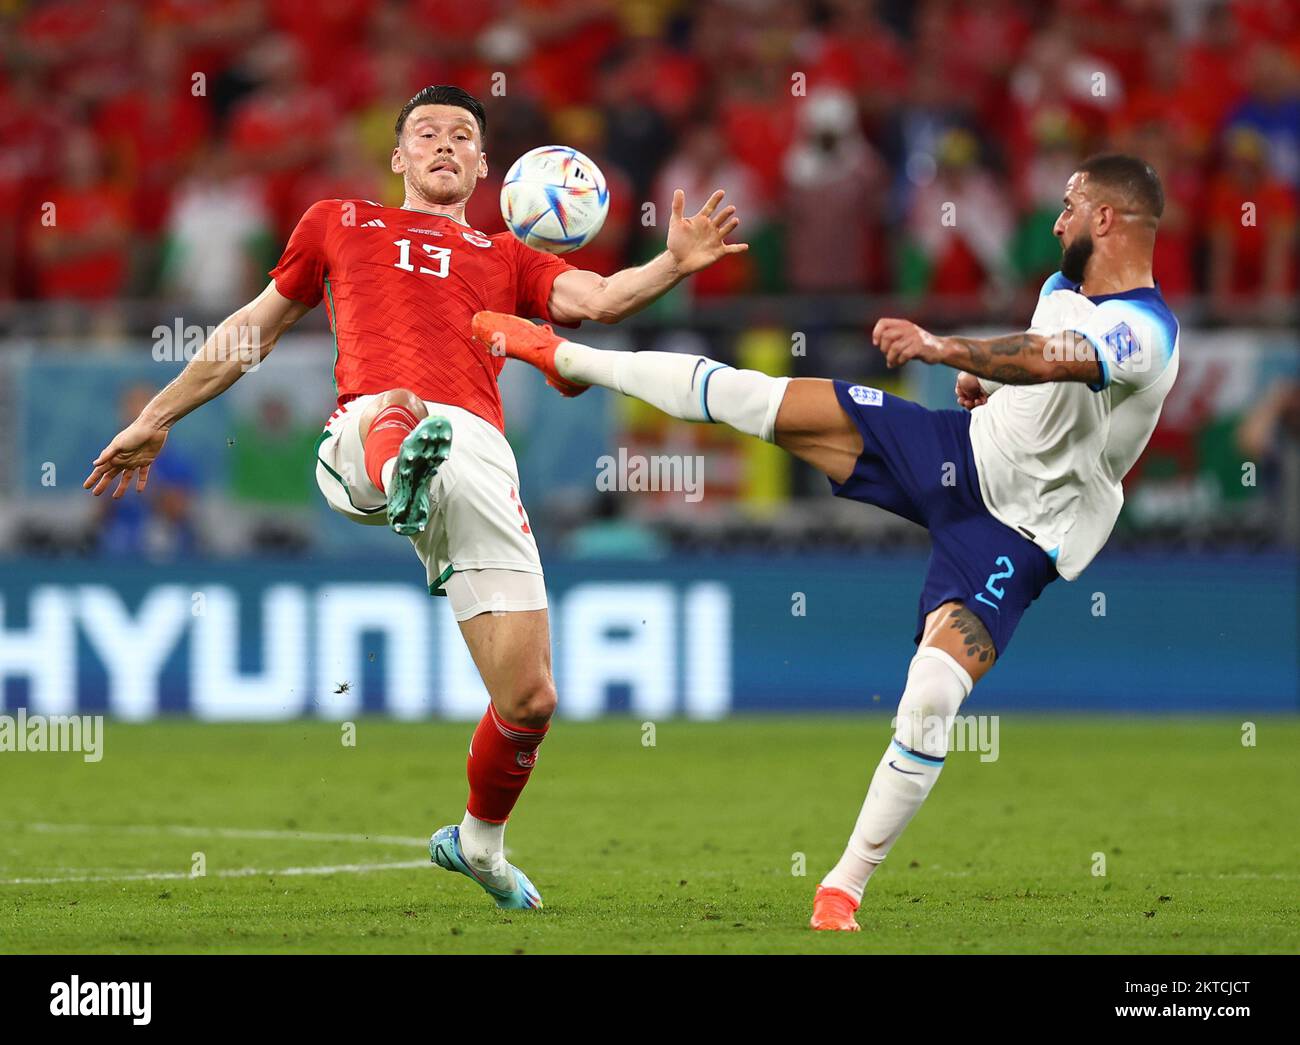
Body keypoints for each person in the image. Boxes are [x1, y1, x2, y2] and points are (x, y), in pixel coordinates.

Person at [83, 84, 747, 911]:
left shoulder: (507, 256)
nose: (443, 144)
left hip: (476, 455)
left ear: (483, 166)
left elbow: (601, 300)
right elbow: (250, 329)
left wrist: (674, 264)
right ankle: (402, 474)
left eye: (461, 135)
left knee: (530, 697)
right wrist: (156, 417)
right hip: (364, 430)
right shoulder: (337, 221)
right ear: (397, 156)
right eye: (425, 133)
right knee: (395, 402)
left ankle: (478, 841)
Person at [473, 153, 1179, 930]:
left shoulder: (1147, 331)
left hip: (1019, 532)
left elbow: (1059, 359)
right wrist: (989, 384)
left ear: (1108, 219)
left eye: (1072, 205)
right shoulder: (1059, 290)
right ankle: (566, 358)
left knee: (932, 696)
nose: (1057, 219)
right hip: (957, 452)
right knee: (756, 396)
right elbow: (1036, 364)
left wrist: (948, 351)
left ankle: (842, 885)